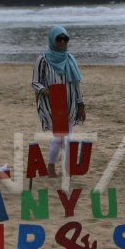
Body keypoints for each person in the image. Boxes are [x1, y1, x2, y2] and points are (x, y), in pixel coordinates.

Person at [32, 26, 87, 178]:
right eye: (59, 39)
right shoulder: (42, 59)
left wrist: (81, 104)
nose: (62, 42)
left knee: (68, 138)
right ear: (52, 40)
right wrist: (44, 90)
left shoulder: (70, 59)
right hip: (52, 105)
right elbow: (35, 82)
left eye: (65, 39)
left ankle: (65, 166)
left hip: (70, 105)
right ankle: (51, 166)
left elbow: (76, 84)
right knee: (59, 137)